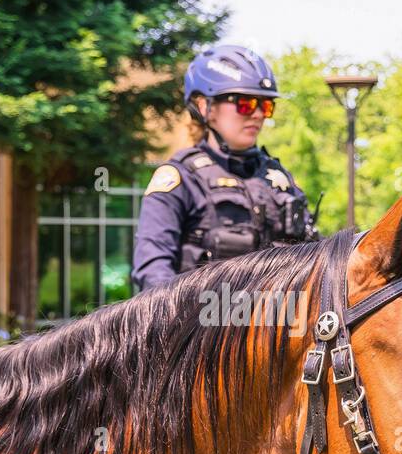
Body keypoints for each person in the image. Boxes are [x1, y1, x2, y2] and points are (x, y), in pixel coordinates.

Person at [131, 45, 317, 291]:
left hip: (278, 322)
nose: (258, 114)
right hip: (201, 323)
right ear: (205, 107)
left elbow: (316, 259)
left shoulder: (279, 179)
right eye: (245, 103)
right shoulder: (180, 178)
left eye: (266, 105)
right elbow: (152, 268)